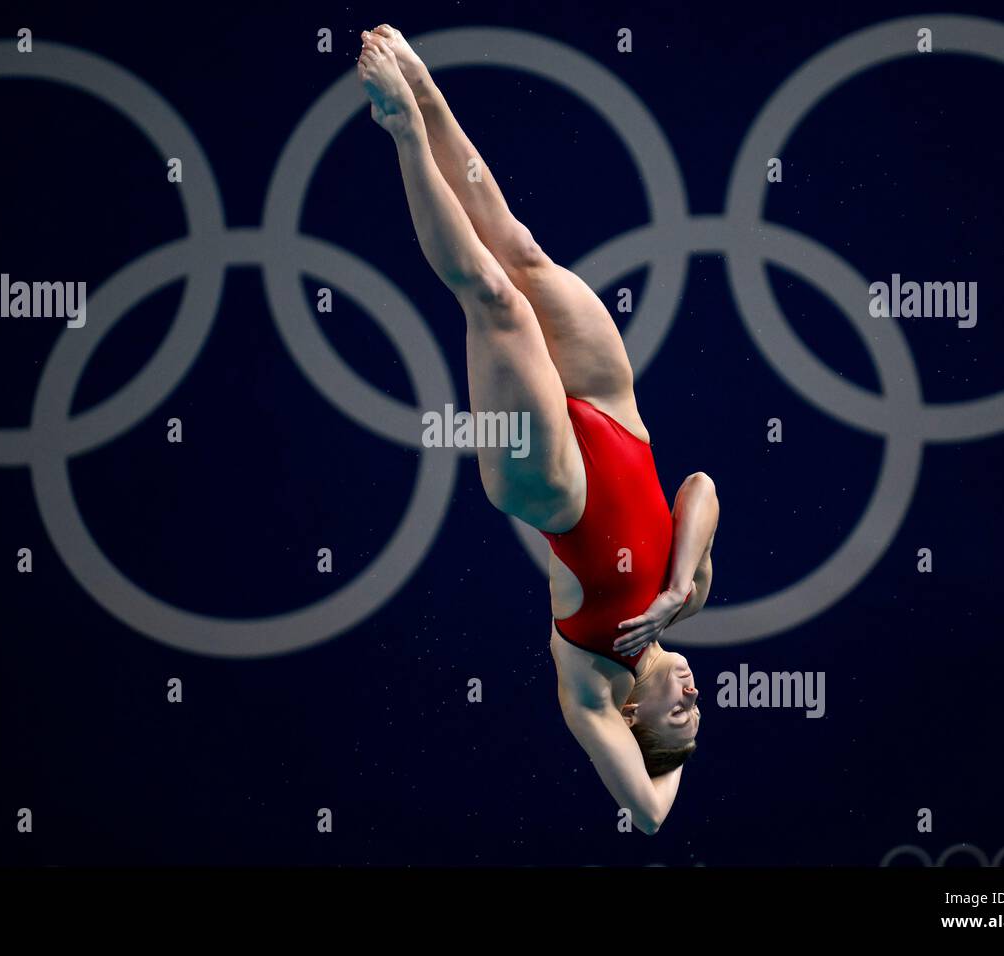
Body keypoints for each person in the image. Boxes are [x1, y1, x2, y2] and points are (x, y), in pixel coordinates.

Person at [359, 25, 720, 834]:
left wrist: (664, 772)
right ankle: (425, 89)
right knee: (518, 247)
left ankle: (402, 131)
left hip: (547, 485)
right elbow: (701, 487)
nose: (696, 698)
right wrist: (674, 589)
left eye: (682, 718)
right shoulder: (688, 600)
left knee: (492, 296)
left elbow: (652, 816)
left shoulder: (590, 690)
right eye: (699, 711)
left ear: (636, 723)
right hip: (615, 414)